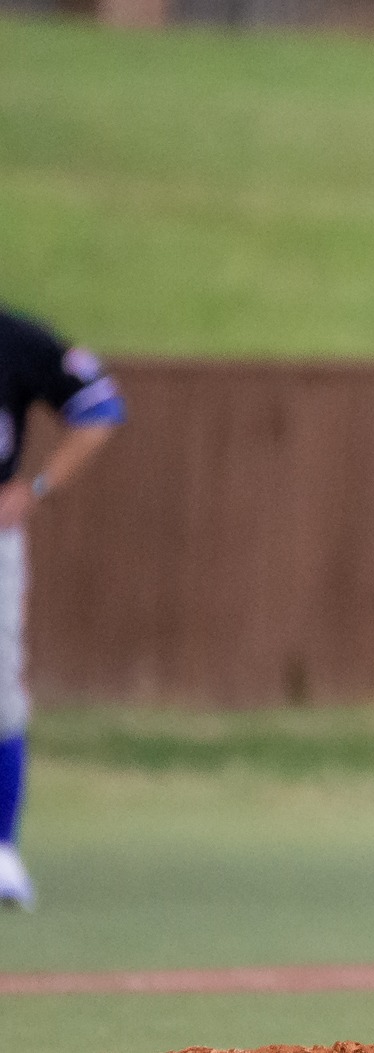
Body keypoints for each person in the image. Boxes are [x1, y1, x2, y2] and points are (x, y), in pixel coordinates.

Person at [0, 305, 127, 910]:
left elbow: (100, 407)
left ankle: (1, 849)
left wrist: (38, 487)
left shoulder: (17, 341)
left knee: (1, 692)